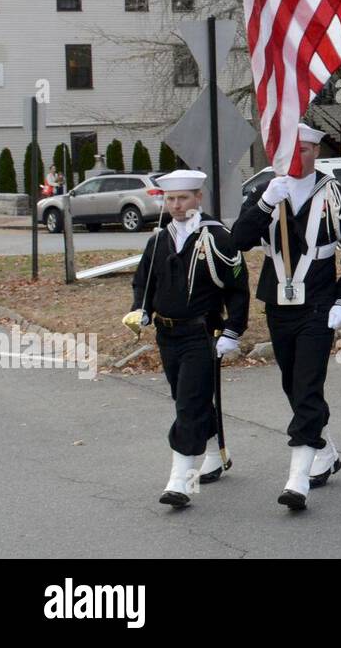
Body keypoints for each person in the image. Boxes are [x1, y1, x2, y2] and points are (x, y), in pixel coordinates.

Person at [230, 123, 341, 511]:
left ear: (316, 152)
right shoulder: (265, 191)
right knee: (293, 385)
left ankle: (297, 479)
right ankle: (324, 452)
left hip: (318, 304)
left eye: (304, 150)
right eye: (288, 150)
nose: (296, 157)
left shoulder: (336, 196)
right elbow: (236, 242)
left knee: (307, 385)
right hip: (278, 302)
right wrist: (262, 205)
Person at [122, 170, 249, 508]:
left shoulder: (218, 237)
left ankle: (181, 481)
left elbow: (238, 288)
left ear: (198, 198)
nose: (176, 206)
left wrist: (234, 330)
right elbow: (143, 282)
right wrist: (141, 310)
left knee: (188, 405)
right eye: (170, 199)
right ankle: (216, 455)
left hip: (200, 334)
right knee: (186, 397)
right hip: (167, 335)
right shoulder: (159, 240)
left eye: (183, 198)